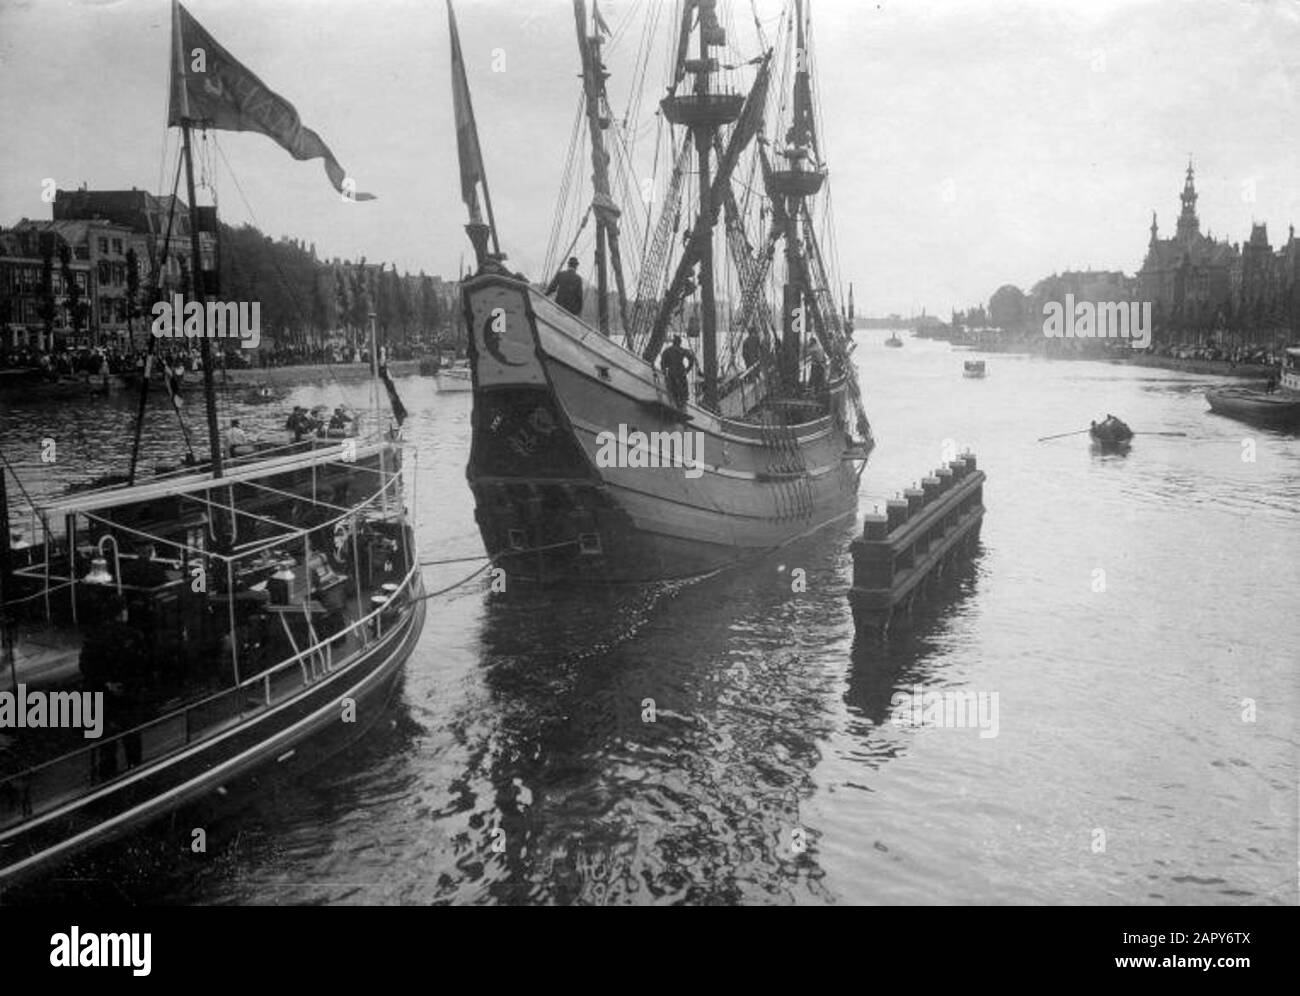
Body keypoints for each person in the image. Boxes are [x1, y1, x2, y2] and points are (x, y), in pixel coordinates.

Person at [660, 334, 696, 409]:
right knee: (683, 390)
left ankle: (675, 404)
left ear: (673, 342)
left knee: (673, 389)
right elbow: (691, 359)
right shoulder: (682, 350)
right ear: (679, 342)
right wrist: (688, 369)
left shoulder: (667, 350)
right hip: (681, 371)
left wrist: (664, 371)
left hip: (671, 371)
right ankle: (683, 405)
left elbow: (662, 362)